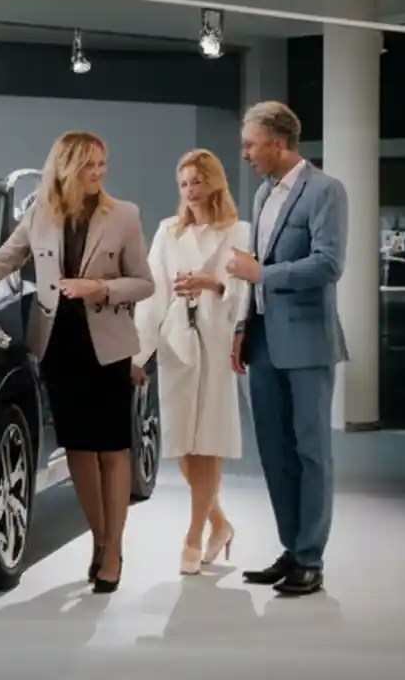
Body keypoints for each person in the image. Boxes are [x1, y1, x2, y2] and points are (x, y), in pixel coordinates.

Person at [0, 131, 154, 593]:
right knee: (78, 448)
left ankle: (114, 548)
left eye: (103, 163)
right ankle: (100, 539)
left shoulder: (125, 216)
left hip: (109, 345)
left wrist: (101, 289)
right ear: (65, 167)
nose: (99, 173)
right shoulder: (40, 215)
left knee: (114, 450)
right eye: (89, 165)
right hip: (59, 344)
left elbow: (144, 283)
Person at [226, 101, 348, 596]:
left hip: (307, 342)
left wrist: (264, 275)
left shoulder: (325, 191)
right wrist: (241, 326)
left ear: (279, 142)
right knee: (275, 453)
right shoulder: (261, 194)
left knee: (311, 452)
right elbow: (254, 268)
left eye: (252, 144)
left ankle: (311, 559)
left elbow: (329, 264)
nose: (247, 154)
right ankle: (291, 547)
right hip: (261, 341)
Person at [130, 149, 249, 576]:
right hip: (177, 344)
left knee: (209, 441)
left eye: (197, 181)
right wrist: (138, 353)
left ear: (214, 182)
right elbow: (153, 293)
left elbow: (243, 292)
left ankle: (194, 534)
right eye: (183, 183)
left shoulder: (238, 230)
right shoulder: (168, 232)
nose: (190, 190)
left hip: (216, 345)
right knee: (182, 444)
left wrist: (212, 283)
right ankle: (220, 525)